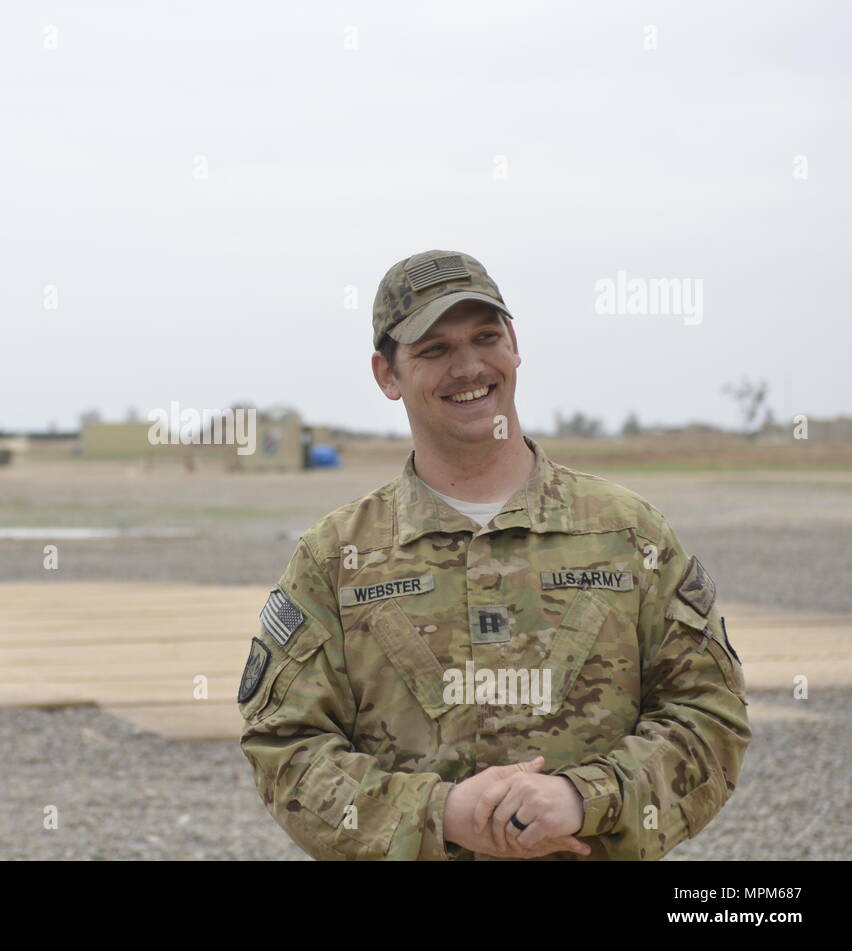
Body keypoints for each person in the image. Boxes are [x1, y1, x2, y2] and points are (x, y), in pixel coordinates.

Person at [237, 249, 750, 861]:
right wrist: (439, 815)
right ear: (387, 374)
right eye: (434, 350)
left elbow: (710, 716)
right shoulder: (336, 557)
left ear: (514, 345)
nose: (469, 367)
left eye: (486, 337)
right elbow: (285, 748)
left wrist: (585, 798)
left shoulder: (628, 533)